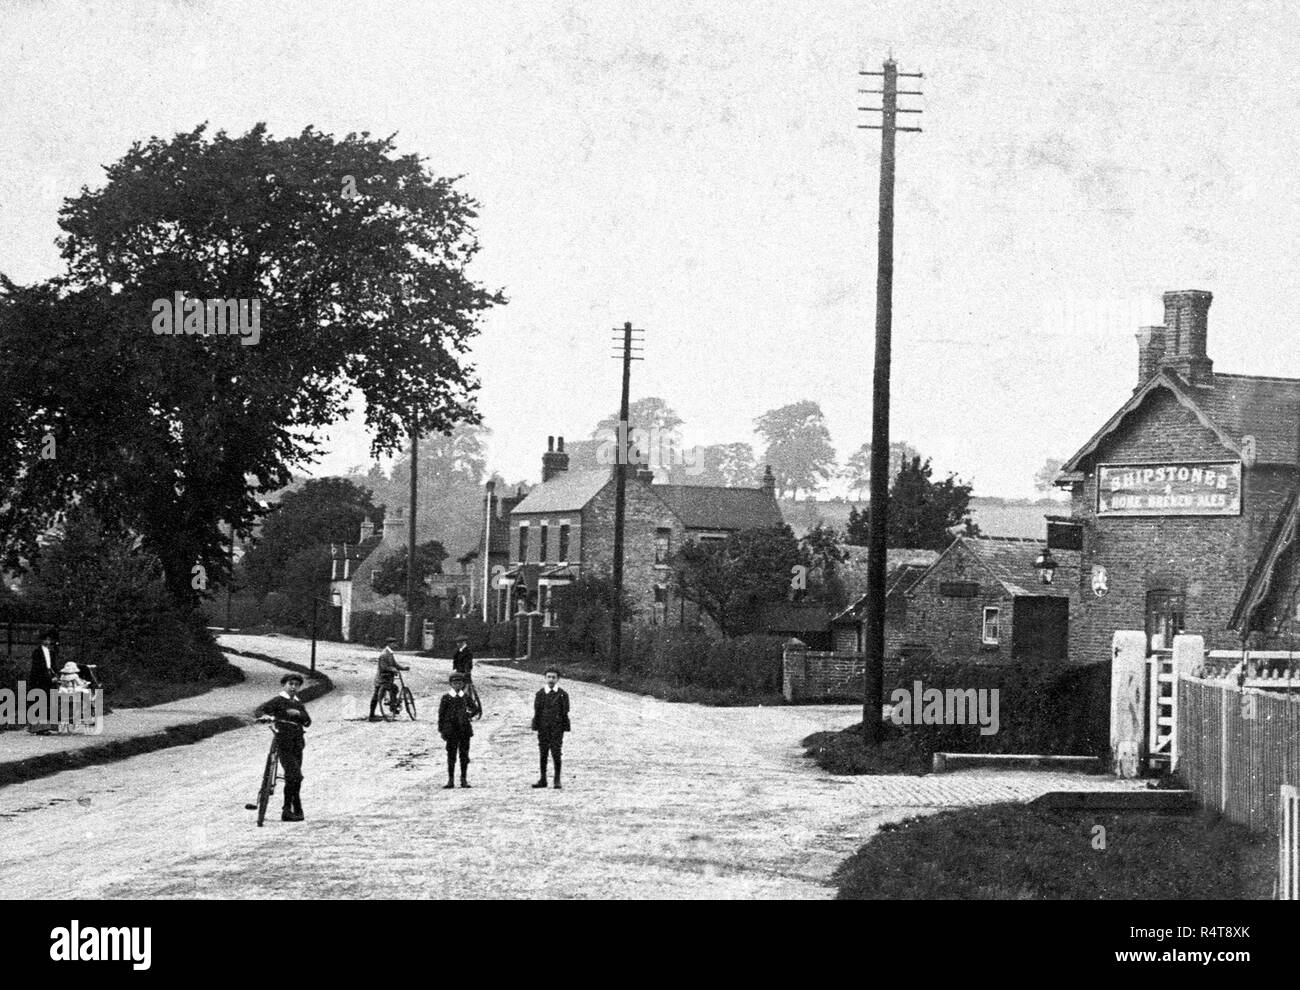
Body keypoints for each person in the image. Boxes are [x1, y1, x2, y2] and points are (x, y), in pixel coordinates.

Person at [256, 673, 312, 822]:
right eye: (290, 684)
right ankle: (287, 810)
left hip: (297, 741)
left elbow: (307, 721)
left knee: (295, 776)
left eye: (296, 685)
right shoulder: (278, 701)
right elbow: (262, 710)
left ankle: (294, 806)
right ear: (284, 685)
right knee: (295, 775)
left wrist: (298, 713)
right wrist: (265, 717)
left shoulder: (299, 704)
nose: (293, 687)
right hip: (283, 739)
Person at [531, 667, 571, 789]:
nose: (551, 680)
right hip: (543, 728)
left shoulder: (563, 694)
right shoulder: (540, 694)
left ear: (558, 679)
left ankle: (557, 779)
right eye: (549, 677)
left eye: (554, 677)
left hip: (557, 728)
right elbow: (537, 711)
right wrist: (536, 725)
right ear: (545, 678)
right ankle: (543, 779)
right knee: (543, 753)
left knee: (556, 752)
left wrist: (563, 726)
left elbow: (565, 712)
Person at [437, 671, 477, 789]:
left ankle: (463, 779)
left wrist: (468, 715)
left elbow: (475, 709)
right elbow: (441, 715)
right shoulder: (446, 698)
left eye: (460, 683)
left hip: (464, 730)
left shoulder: (465, 697)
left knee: (464, 755)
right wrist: (442, 730)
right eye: (455, 683)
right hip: (451, 731)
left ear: (463, 684)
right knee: (451, 756)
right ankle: (450, 780)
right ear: (451, 684)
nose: (457, 685)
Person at [369, 636, 409, 721]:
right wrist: (393, 669)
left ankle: (391, 706)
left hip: (387, 678)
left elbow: (395, 664)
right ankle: (389, 708)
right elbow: (384, 667)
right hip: (382, 679)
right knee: (390, 690)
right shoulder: (384, 654)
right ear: (389, 644)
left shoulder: (390, 653)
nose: (396, 645)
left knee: (390, 690)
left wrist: (403, 668)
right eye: (394, 643)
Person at [27, 630, 58, 735]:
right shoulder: (37, 652)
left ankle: (46, 727)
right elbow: (38, 668)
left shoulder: (51, 652)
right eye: (46, 639)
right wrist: (48, 678)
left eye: (49, 639)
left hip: (49, 676)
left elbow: (53, 666)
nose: (48, 641)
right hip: (39, 679)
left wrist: (54, 676)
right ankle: (38, 728)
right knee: (40, 702)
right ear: (41, 641)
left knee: (49, 702)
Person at [451, 635, 482, 719]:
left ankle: (474, 709)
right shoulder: (458, 651)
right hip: (458, 674)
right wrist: (455, 670)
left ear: (464, 642)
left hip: (465, 674)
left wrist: (467, 671)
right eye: (457, 642)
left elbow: (468, 663)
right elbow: (455, 661)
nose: (458, 644)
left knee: (463, 693)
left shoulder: (467, 652)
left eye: (460, 642)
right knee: (456, 692)